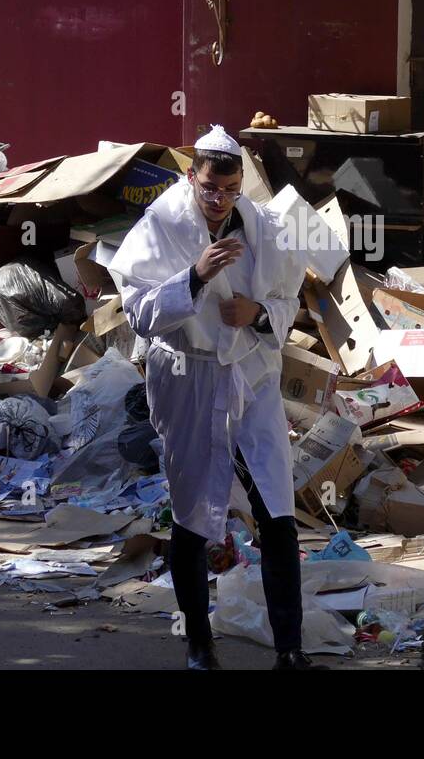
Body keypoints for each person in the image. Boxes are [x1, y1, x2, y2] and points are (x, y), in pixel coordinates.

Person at [110, 126, 321, 670]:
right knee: (193, 511)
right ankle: (199, 643)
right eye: (209, 189)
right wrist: (196, 277)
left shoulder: (266, 228)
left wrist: (259, 314)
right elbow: (139, 314)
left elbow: (288, 299)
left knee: (276, 507)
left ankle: (290, 651)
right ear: (191, 178)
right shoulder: (161, 226)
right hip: (191, 378)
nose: (218, 200)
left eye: (229, 190)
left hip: (252, 378)